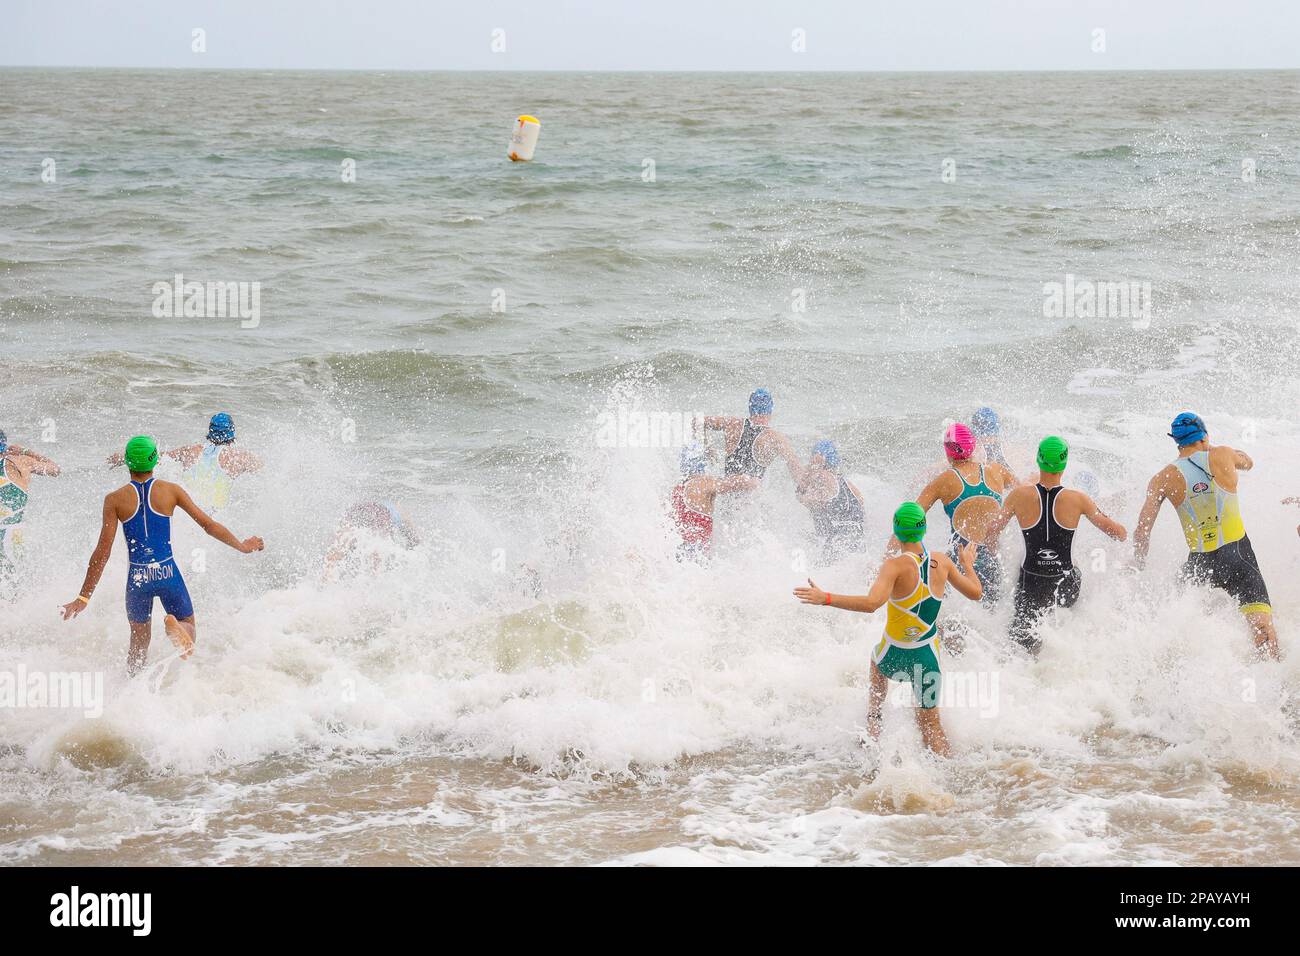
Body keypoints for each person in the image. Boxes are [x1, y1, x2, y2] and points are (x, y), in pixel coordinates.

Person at [61, 435, 264, 674]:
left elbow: (102, 553)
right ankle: (176, 627)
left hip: (137, 579)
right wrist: (242, 545)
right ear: (155, 460)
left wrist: (83, 598)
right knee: (189, 627)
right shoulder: (171, 491)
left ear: (127, 462)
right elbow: (209, 526)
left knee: (138, 644)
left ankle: (132, 689)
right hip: (168, 573)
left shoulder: (114, 500)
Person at [793, 502, 983, 757]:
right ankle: (947, 776)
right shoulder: (943, 561)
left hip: (893, 655)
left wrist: (825, 597)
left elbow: (872, 604)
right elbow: (976, 593)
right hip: (927, 659)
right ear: (924, 529)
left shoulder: (893, 567)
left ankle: (874, 725)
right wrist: (968, 564)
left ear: (896, 531)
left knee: (876, 660)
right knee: (930, 725)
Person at [1133, 412, 1279, 659]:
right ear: (1203, 435)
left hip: (1199, 565)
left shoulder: (1162, 478)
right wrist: (1214, 448)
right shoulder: (1223, 453)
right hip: (1238, 556)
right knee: (1262, 632)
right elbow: (1248, 462)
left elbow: (1142, 531)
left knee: (1178, 627)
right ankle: (1272, 682)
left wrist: (1138, 562)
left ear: (1177, 441)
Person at [988, 436, 1127, 653]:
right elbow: (1118, 534)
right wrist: (1121, 527)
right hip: (1065, 583)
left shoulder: (1018, 496)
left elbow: (991, 532)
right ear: (1064, 464)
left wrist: (996, 551)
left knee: (1021, 642)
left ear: (1038, 460)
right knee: (1064, 616)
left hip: (1031, 583)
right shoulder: (1079, 499)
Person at [915, 422, 1016, 604]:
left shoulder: (943, 481)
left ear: (948, 451)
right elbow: (1028, 497)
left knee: (957, 622)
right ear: (973, 446)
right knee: (991, 617)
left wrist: (885, 560)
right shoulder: (996, 471)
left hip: (958, 561)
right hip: (993, 561)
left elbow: (911, 518)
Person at [108, 412, 262, 511]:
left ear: (210, 431)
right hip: (216, 514)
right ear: (232, 432)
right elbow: (266, 473)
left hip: (188, 511)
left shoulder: (191, 451)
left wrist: (122, 458)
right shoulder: (239, 457)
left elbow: (157, 457)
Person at [667, 443, 752, 560]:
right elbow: (729, 484)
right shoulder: (703, 482)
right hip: (698, 550)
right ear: (702, 462)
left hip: (679, 549)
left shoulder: (677, 490)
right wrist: (750, 480)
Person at [702, 388, 798, 490]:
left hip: (727, 494)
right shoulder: (774, 437)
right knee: (754, 483)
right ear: (770, 410)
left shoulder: (732, 424)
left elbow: (698, 421)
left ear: (750, 407)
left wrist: (707, 448)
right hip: (751, 500)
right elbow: (794, 467)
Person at [0, 429, 62, 586]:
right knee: (17, 588)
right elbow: (55, 469)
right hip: (15, 537)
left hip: (7, 538)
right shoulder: (19, 462)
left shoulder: (15, 462)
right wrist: (26, 451)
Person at [794, 440, 866, 560]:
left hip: (836, 547)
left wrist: (811, 467)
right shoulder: (849, 485)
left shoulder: (822, 476)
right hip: (858, 544)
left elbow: (802, 496)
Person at [323, 500, 420, 578]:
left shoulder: (389, 508)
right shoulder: (398, 513)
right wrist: (415, 547)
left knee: (337, 548)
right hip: (379, 514)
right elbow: (415, 538)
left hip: (357, 510)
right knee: (375, 555)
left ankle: (325, 580)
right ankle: (373, 580)